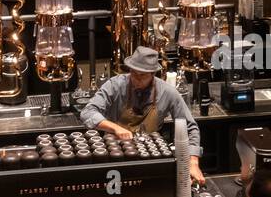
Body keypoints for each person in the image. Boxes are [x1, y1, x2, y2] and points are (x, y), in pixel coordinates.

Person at [81, 46, 205, 184]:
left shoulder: (168, 92)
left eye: (142, 76)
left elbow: (190, 127)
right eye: (134, 73)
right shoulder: (115, 85)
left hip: (151, 156)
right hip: (114, 155)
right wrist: (115, 128)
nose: (137, 79)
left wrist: (193, 162)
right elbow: (88, 112)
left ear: (153, 74)